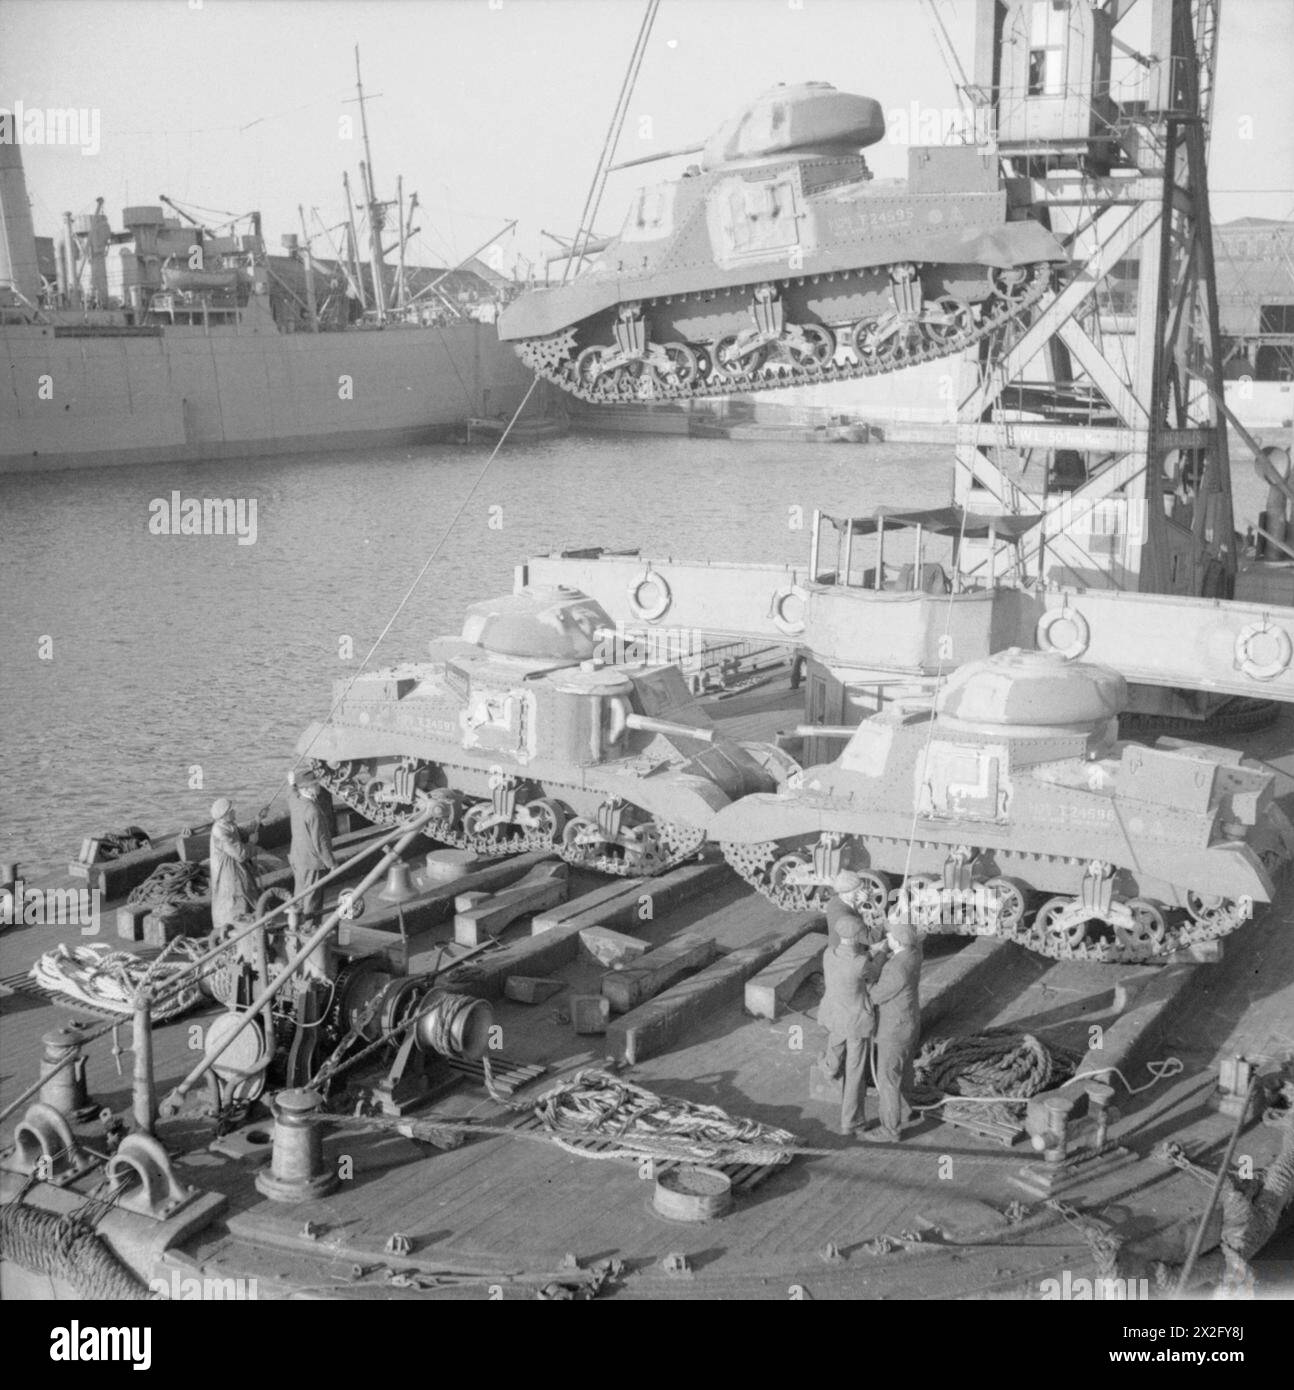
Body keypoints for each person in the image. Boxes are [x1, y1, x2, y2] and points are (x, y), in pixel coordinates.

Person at [817, 916, 884, 1137]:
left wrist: (868, 953)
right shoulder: (860, 963)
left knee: (835, 1048)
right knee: (855, 1073)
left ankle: (828, 1068)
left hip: (835, 1016)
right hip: (856, 1022)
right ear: (857, 937)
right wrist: (881, 951)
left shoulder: (829, 954)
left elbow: (853, 964)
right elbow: (872, 972)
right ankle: (851, 1122)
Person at [861, 917, 924, 1143]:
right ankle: (907, 1108)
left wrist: (868, 973)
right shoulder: (914, 953)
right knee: (904, 1070)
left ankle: (890, 1129)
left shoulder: (897, 969)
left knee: (887, 1078)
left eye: (889, 936)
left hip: (893, 1030)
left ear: (897, 941)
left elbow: (875, 995)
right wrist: (885, 950)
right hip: (910, 1023)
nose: (886, 938)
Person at [288, 768, 336, 928]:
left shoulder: (296, 801)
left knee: (300, 897)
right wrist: (332, 864)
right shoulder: (313, 811)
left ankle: (296, 928)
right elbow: (320, 842)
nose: (319, 786)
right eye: (315, 784)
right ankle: (310, 932)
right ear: (307, 788)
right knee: (312, 902)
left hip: (297, 859)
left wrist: (292, 783)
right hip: (312, 863)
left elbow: (291, 794)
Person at [208, 797, 257, 934]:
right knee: (236, 898)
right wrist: (252, 844)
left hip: (236, 869)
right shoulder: (220, 832)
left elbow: (240, 831)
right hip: (229, 873)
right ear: (225, 814)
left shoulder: (227, 825)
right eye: (231, 810)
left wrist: (257, 820)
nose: (234, 811)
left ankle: (244, 926)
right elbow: (240, 854)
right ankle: (232, 930)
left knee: (243, 896)